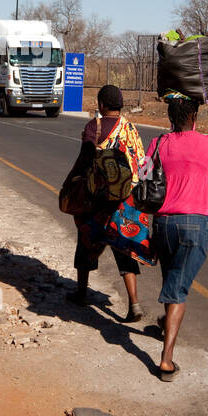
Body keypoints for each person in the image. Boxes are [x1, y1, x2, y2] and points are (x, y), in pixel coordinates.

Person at [146, 94, 208, 380]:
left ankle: (166, 321)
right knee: (178, 290)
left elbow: (144, 175)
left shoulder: (157, 143)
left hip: (163, 223)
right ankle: (166, 360)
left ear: (170, 119)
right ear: (194, 118)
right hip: (194, 224)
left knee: (172, 279)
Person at [66, 84, 148, 321]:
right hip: (125, 201)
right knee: (124, 249)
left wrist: (71, 182)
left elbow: (85, 158)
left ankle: (82, 293)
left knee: (86, 242)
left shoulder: (95, 127)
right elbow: (142, 163)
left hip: (98, 200)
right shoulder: (131, 129)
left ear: (101, 105)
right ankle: (134, 303)